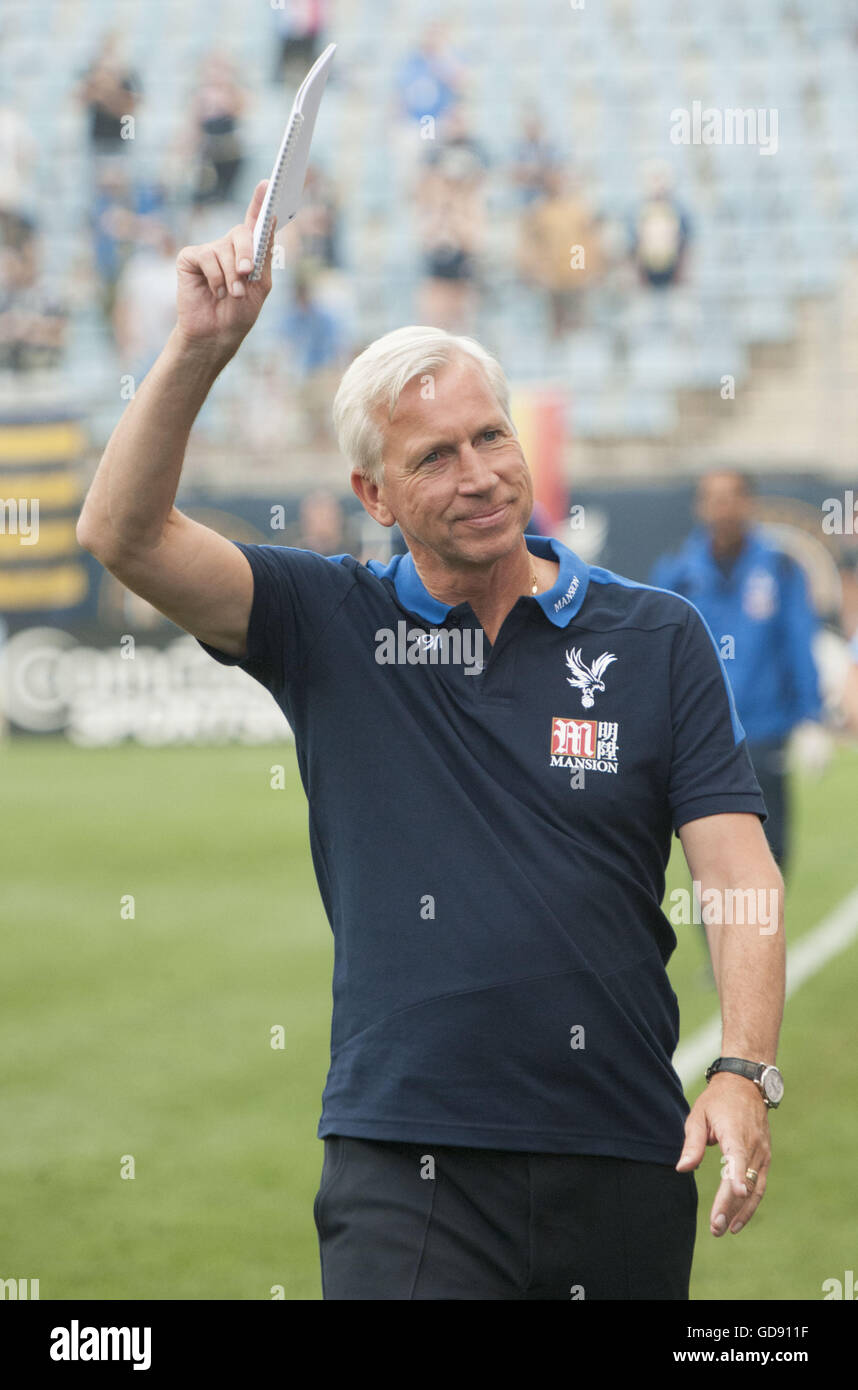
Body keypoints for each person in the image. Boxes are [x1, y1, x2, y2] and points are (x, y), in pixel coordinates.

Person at [77, 184, 785, 1301]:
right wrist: (196, 352)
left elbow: (738, 872)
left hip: (624, 1148)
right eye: (437, 457)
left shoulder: (658, 634)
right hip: (403, 1163)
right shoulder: (324, 620)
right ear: (373, 492)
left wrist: (744, 1066)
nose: (481, 475)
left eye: (491, 435)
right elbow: (121, 533)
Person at [650, 469, 826, 874]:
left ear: (749, 503)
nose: (722, 508)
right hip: (700, 736)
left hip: (765, 732)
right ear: (700, 506)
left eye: (731, 498)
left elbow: (799, 641)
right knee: (708, 855)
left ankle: (760, 934)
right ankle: (721, 938)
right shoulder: (677, 572)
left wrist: (811, 716)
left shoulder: (780, 568)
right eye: (713, 498)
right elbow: (659, 653)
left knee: (772, 851)